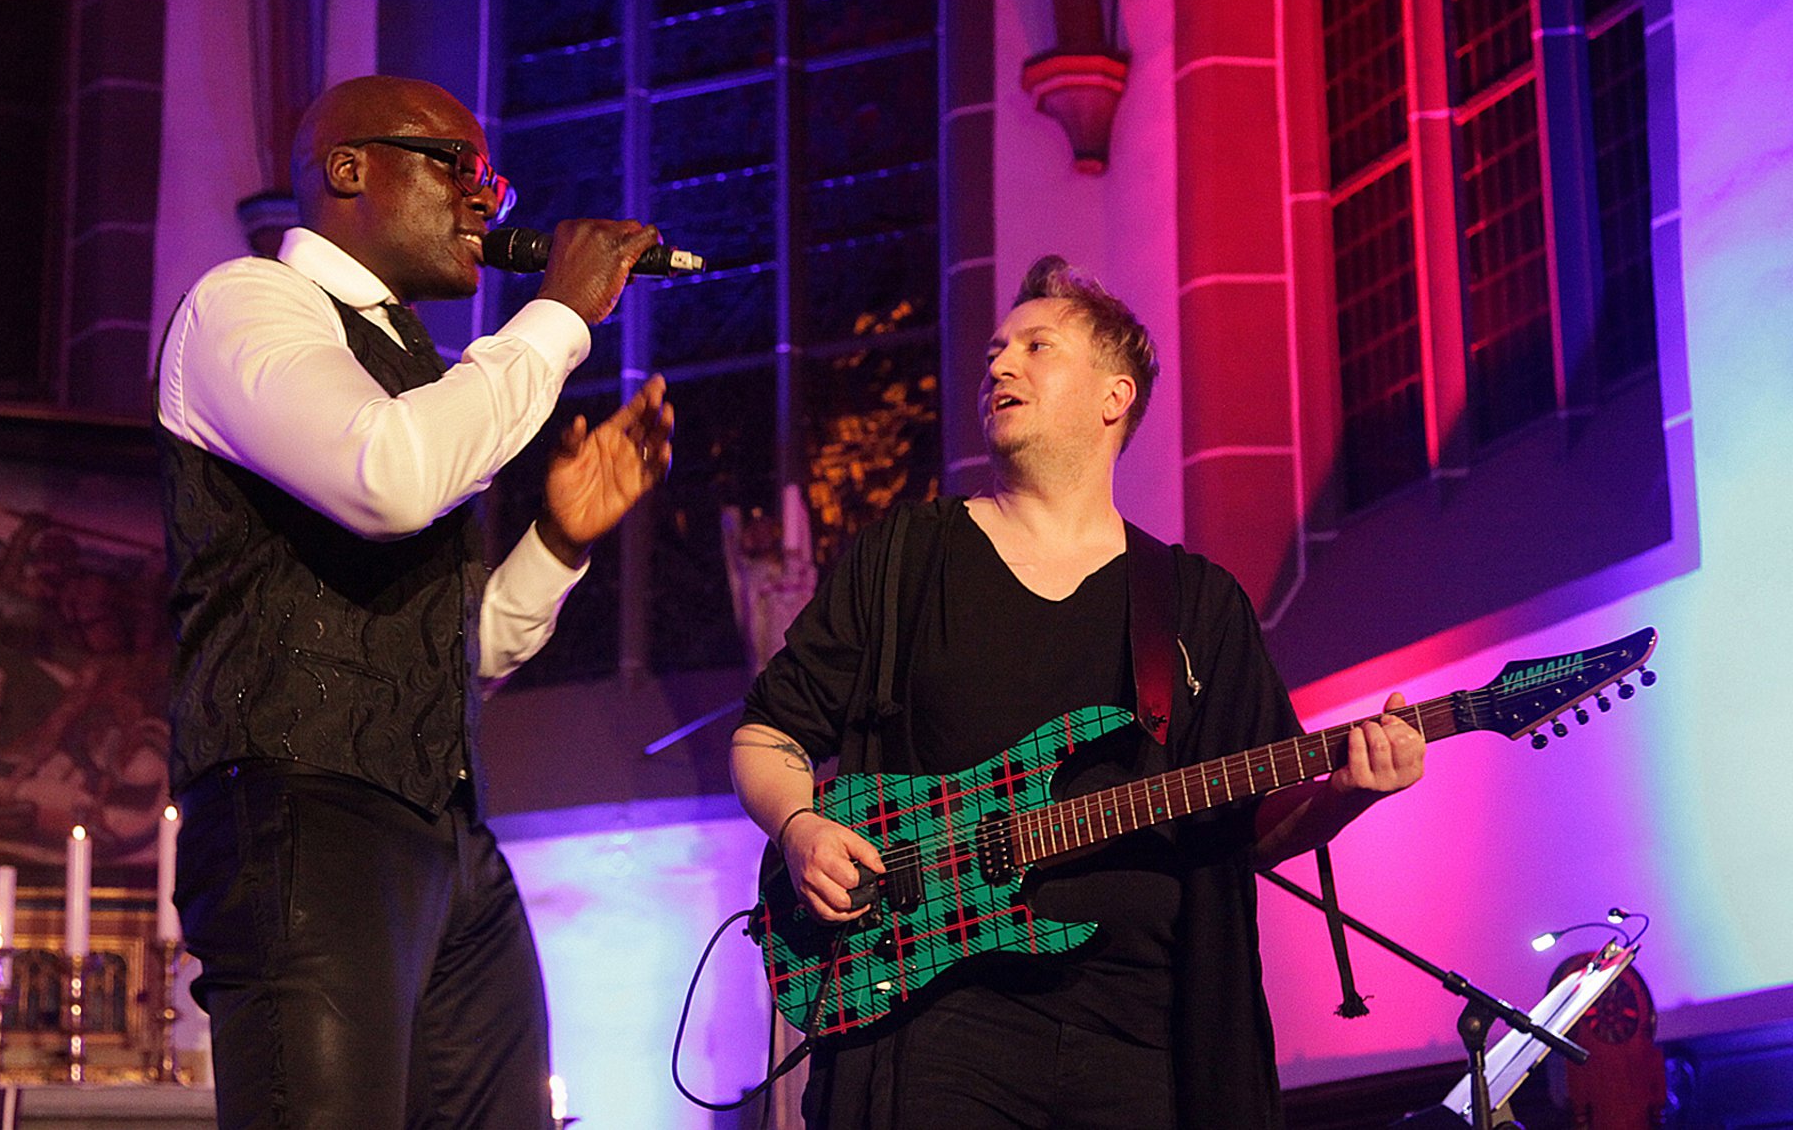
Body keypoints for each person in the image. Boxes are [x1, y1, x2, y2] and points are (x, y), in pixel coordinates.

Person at [730, 256, 1425, 1130]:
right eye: (995, 349)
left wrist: (1348, 794)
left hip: (1143, 1035)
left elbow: (1252, 827)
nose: (998, 363)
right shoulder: (907, 556)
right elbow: (767, 732)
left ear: (1114, 395)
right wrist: (799, 828)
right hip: (938, 1026)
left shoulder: (1195, 604)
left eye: (1036, 345)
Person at [156, 74, 672, 1130]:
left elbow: (453, 651)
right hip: (302, 815)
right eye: (459, 166)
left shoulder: (417, 369)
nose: (486, 197)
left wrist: (559, 541)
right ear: (349, 169)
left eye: (493, 179)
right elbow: (387, 478)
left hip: (444, 828)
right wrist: (558, 316)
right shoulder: (247, 304)